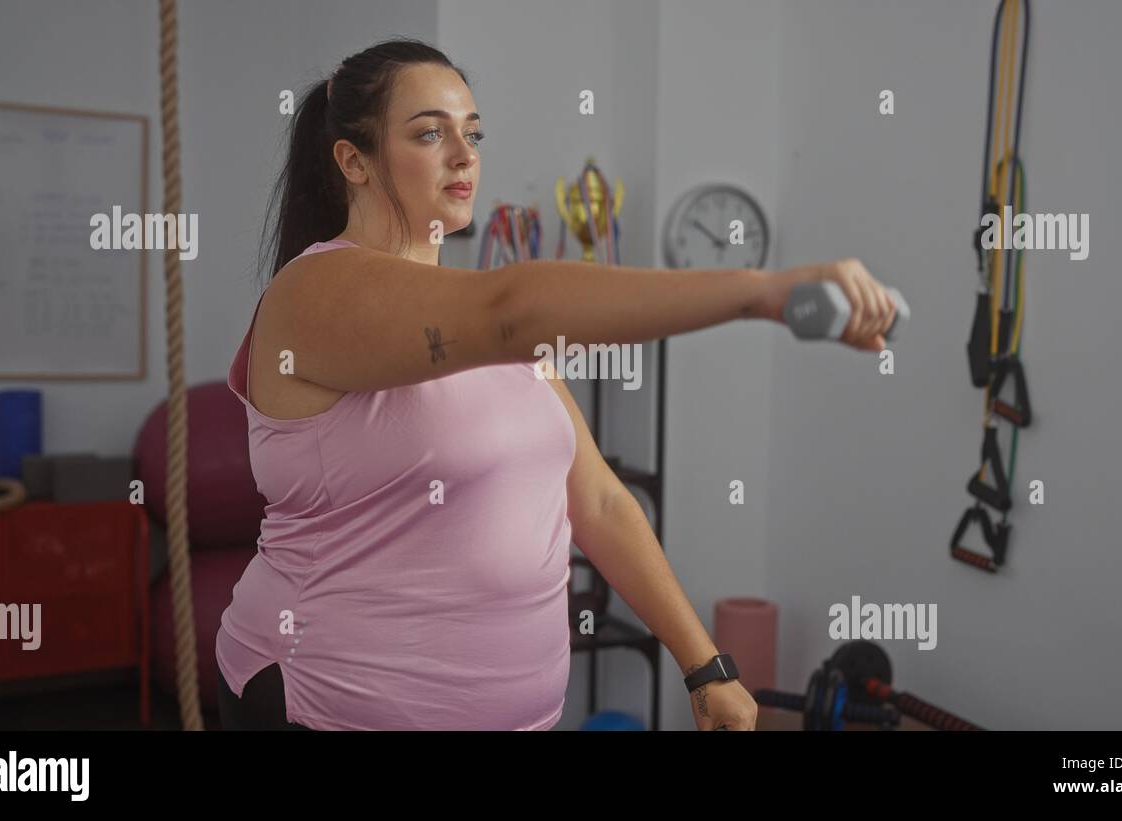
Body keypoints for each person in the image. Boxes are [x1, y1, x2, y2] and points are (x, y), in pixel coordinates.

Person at [215, 37, 897, 732]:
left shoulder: (478, 316)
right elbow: (511, 309)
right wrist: (762, 292)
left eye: (472, 132)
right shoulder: (314, 290)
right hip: (323, 702)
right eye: (429, 133)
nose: (464, 154)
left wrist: (705, 662)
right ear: (352, 160)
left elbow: (597, 497)